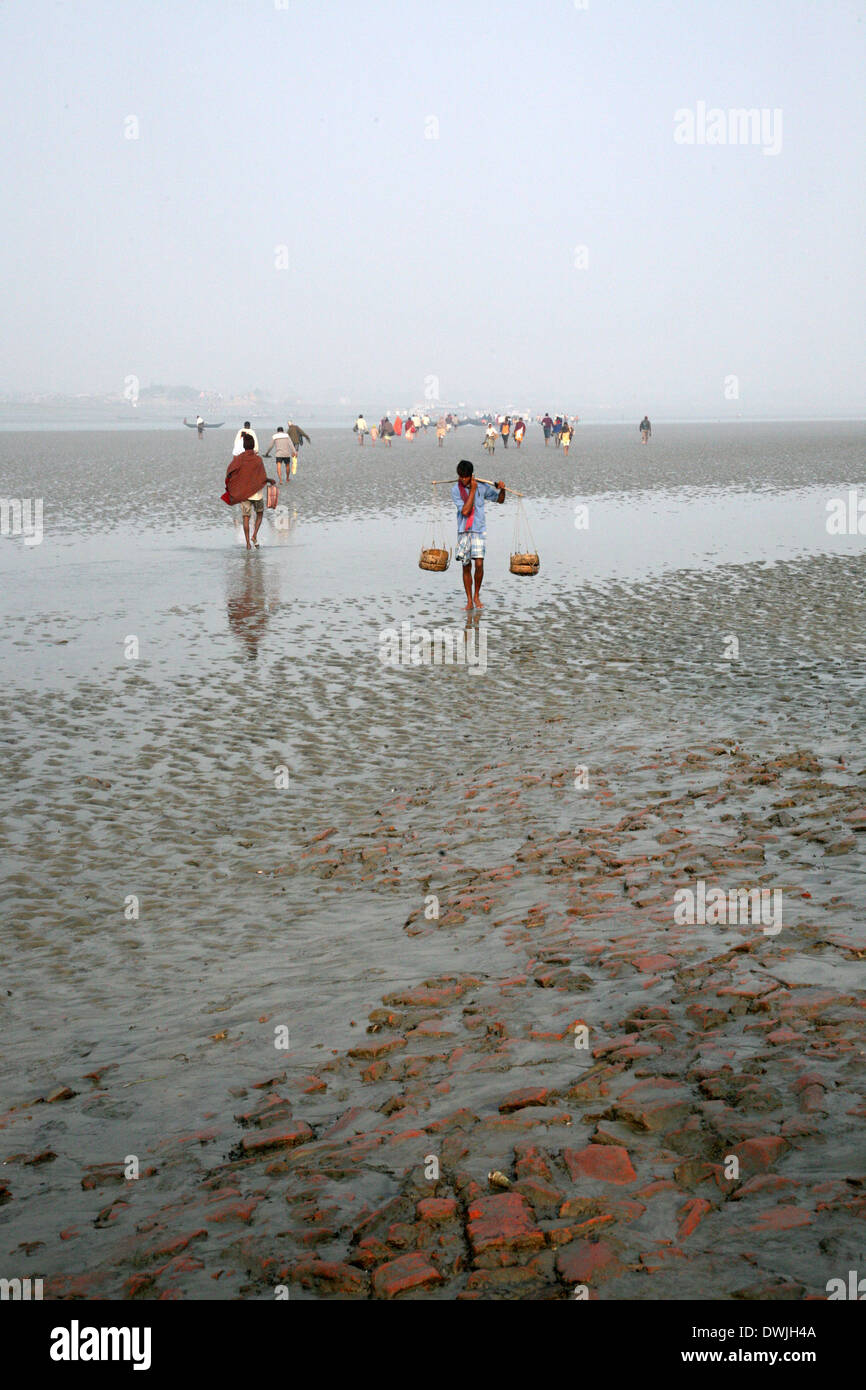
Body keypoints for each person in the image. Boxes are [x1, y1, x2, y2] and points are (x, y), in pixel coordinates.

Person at [451, 460, 505, 611]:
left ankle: (476, 595)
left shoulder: (482, 486)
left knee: (479, 564)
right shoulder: (456, 490)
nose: (463, 479)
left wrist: (502, 489)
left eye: (466, 477)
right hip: (464, 530)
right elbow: (465, 511)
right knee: (466, 565)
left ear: (471, 475)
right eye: (461, 477)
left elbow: (499, 500)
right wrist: (472, 491)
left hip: (479, 530)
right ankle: (469, 600)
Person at [223, 432, 268, 550]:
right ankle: (254, 535)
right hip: (256, 494)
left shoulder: (239, 459)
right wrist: (269, 480)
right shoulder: (258, 459)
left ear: (244, 446)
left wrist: (232, 483)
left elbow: (230, 471)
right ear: (253, 445)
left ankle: (248, 543)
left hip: (243, 494)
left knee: (245, 517)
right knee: (260, 513)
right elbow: (262, 476)